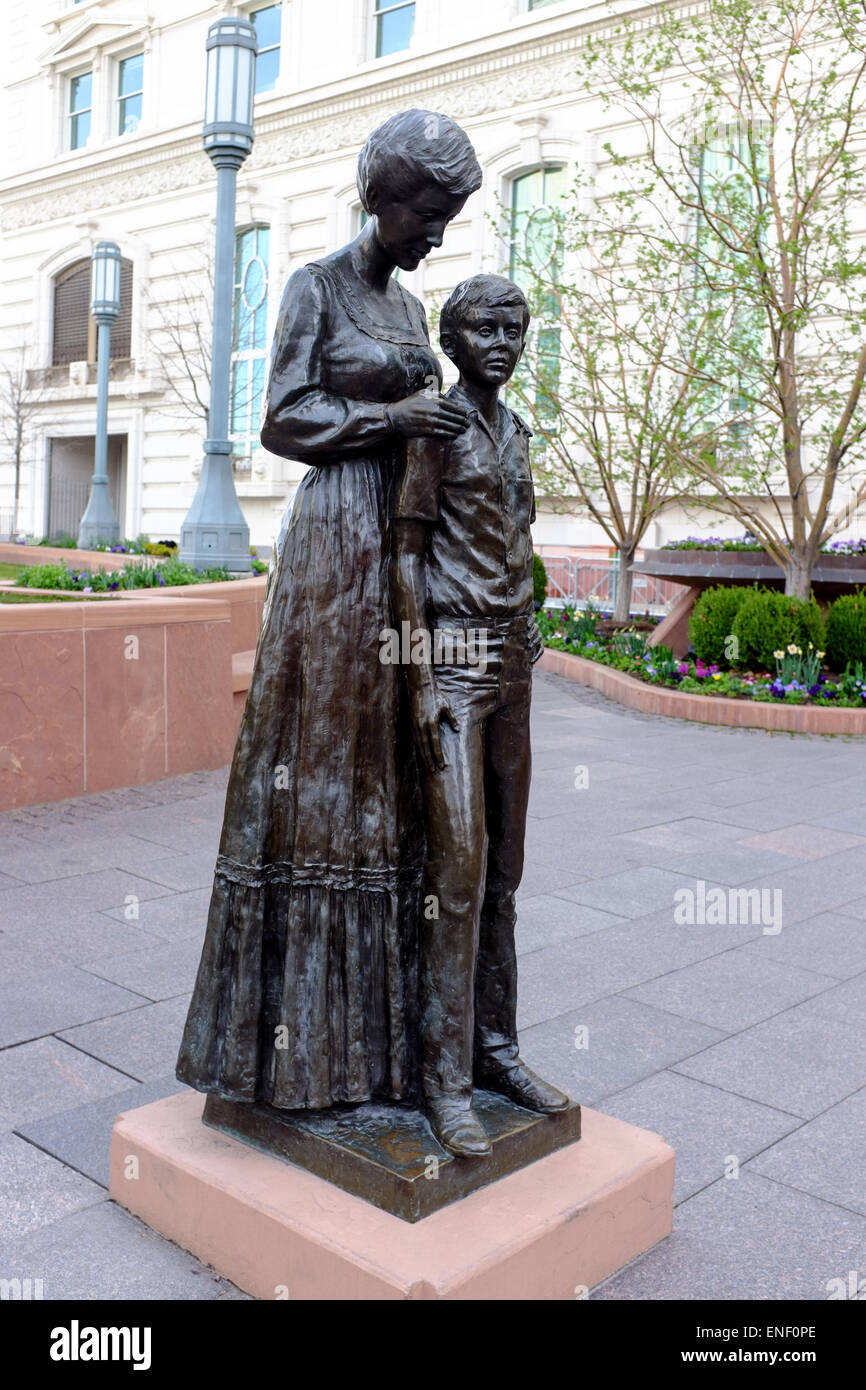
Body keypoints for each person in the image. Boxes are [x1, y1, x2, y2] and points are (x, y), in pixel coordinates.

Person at [177, 110, 481, 1110]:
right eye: (427, 214)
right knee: (318, 759)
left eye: (448, 218)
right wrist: (388, 418)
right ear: (380, 199)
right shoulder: (315, 286)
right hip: (329, 546)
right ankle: (290, 1054)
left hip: (400, 542)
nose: (435, 233)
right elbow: (279, 416)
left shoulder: (409, 311)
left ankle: (378, 1051)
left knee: (380, 768)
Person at [390, 274, 569, 1157]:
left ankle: (495, 1050)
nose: (502, 341)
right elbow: (408, 556)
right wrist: (420, 681)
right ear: (454, 342)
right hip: (453, 667)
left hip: (514, 668)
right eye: (483, 329)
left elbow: (522, 538)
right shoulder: (442, 428)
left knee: (506, 872)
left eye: (514, 328)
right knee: (456, 876)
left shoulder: (519, 433)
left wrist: (530, 617)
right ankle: (442, 1081)